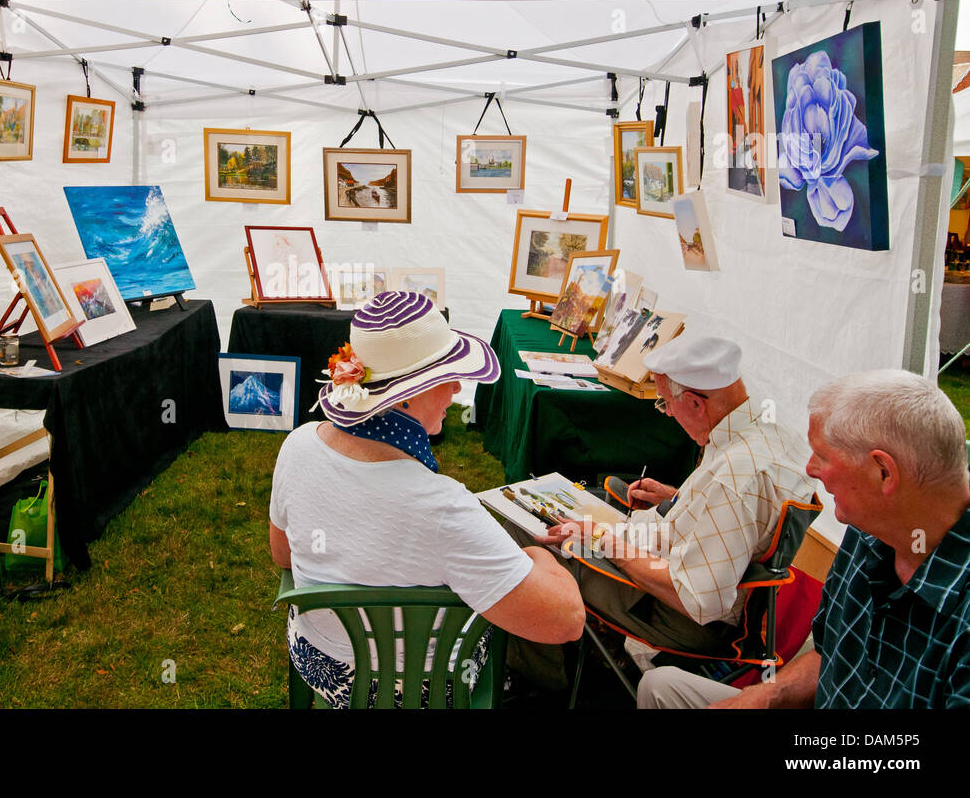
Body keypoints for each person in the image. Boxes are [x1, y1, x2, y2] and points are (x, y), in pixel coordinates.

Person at [268, 291, 584, 707]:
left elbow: (284, 556)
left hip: (320, 661)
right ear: (404, 395)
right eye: (444, 377)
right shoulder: (443, 506)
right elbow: (565, 621)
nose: (456, 388)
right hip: (423, 684)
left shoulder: (298, 445)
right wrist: (539, 559)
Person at [638, 369, 970, 709]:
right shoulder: (868, 531)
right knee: (661, 687)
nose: (810, 469)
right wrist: (768, 695)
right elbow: (828, 653)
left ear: (883, 472)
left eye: (823, 457)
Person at [536, 335, 818, 656]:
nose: (667, 413)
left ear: (697, 403)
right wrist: (677, 498)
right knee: (600, 499)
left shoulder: (733, 478)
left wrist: (604, 541)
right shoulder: (772, 432)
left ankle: (546, 676)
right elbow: (740, 516)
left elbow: (697, 599)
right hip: (687, 563)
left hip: (679, 616)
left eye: (666, 402)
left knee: (538, 541)